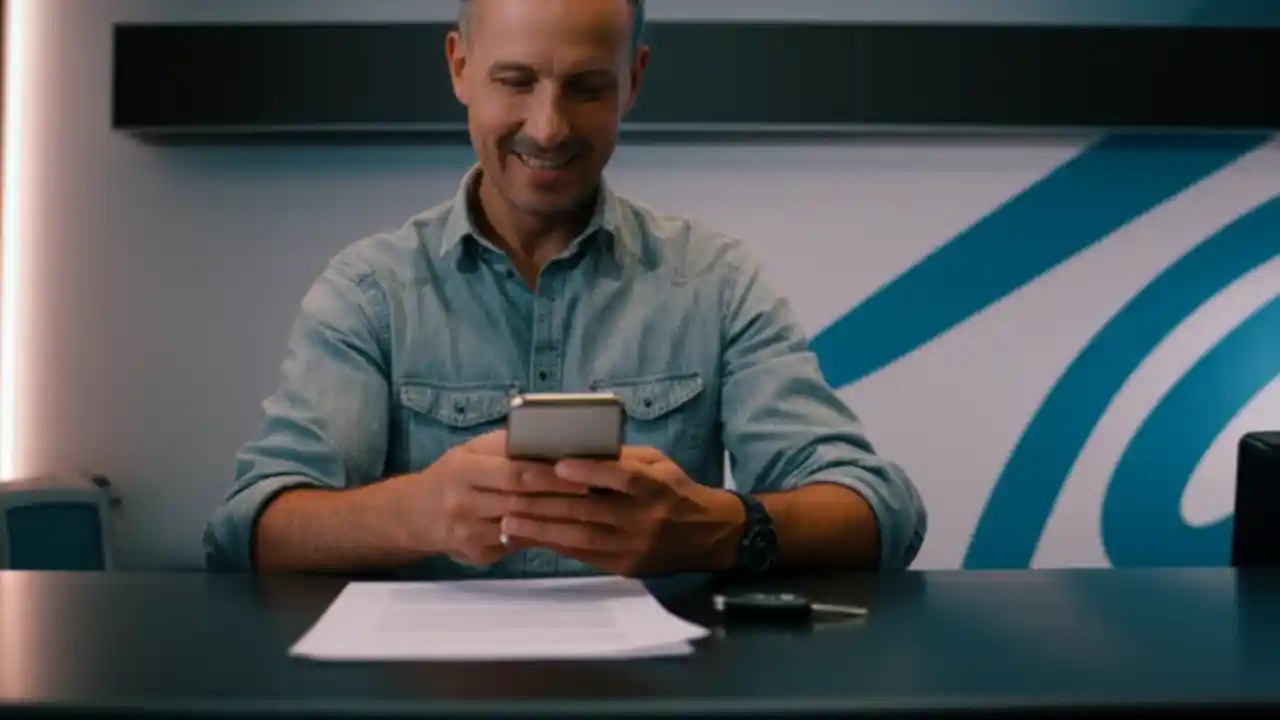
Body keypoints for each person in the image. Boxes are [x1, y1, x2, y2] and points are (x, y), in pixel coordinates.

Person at [204, 0, 926, 578]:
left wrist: (719, 529)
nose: (548, 129)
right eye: (515, 81)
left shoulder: (717, 282)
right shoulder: (369, 292)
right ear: (460, 67)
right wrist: (415, 513)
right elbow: (246, 532)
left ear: (634, 80)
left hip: (664, 696)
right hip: (427, 699)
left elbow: (880, 511)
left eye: (586, 87)